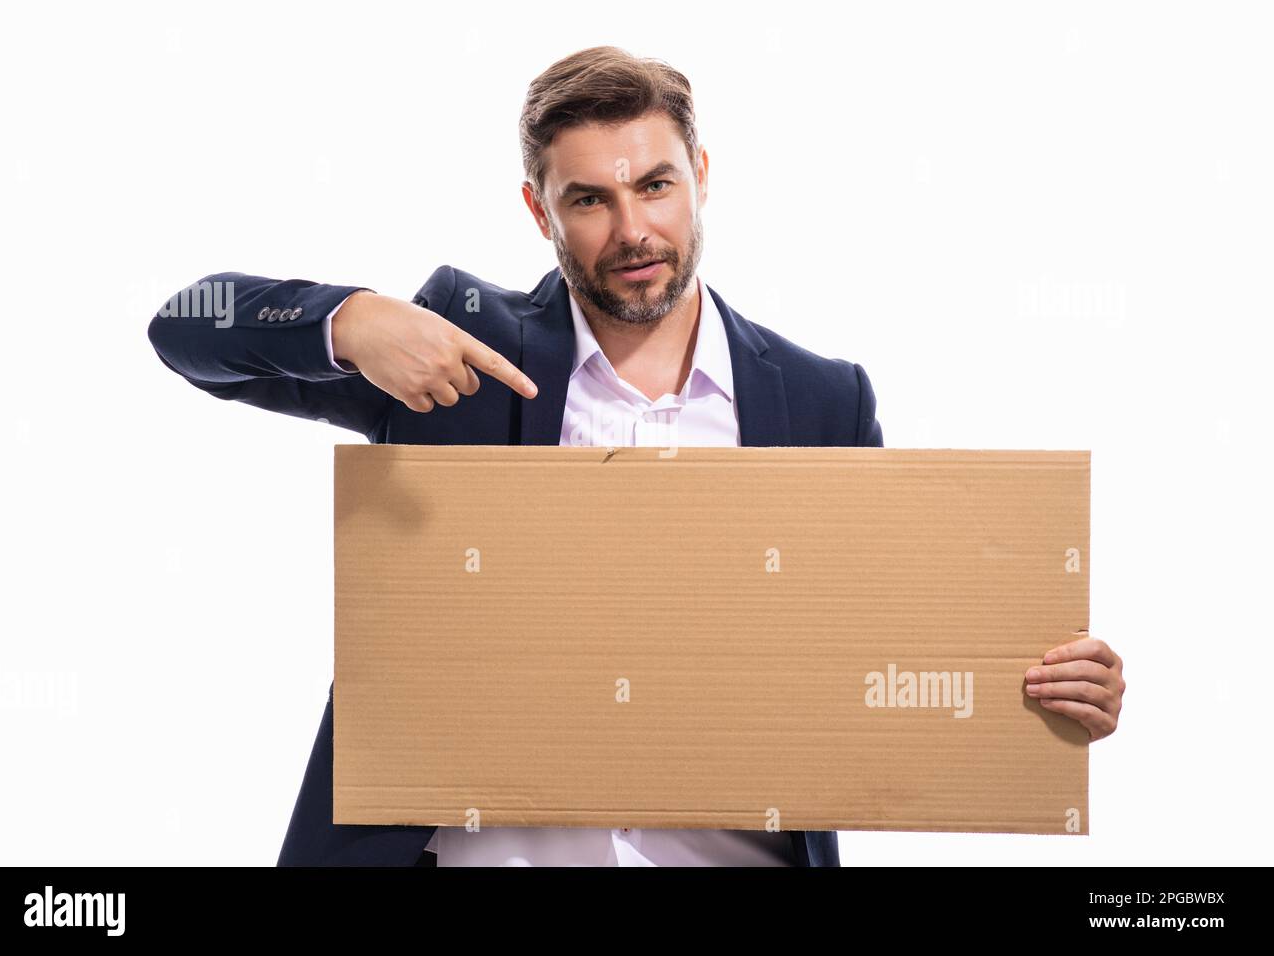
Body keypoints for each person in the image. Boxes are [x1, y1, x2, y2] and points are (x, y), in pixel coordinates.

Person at [147, 46, 1125, 867]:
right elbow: (183, 326)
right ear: (538, 210)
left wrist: (1045, 683)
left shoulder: (825, 398)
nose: (632, 231)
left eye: (656, 184)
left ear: (703, 173)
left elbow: (891, 652)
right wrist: (346, 319)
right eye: (588, 198)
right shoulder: (457, 355)